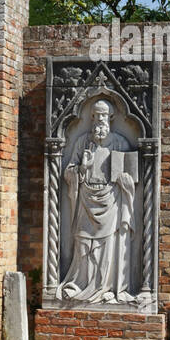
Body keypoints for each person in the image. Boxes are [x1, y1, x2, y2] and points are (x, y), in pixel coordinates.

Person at [60, 98, 137, 303]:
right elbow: (68, 173)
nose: (99, 120)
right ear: (91, 117)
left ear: (110, 118)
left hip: (111, 199)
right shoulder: (82, 142)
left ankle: (107, 287)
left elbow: (132, 178)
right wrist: (82, 168)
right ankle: (80, 284)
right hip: (86, 197)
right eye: (96, 115)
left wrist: (125, 181)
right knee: (83, 242)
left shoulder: (121, 142)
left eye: (103, 116)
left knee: (108, 245)